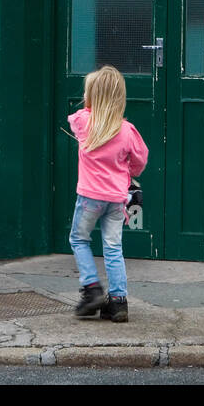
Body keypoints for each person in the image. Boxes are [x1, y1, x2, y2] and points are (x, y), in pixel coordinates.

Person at [68, 65, 148, 323]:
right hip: (116, 199)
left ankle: (92, 288)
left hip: (89, 198)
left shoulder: (83, 122)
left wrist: (90, 104)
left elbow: (76, 116)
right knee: (113, 248)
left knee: (79, 240)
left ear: (91, 96)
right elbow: (140, 161)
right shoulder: (127, 130)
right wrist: (128, 170)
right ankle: (118, 301)